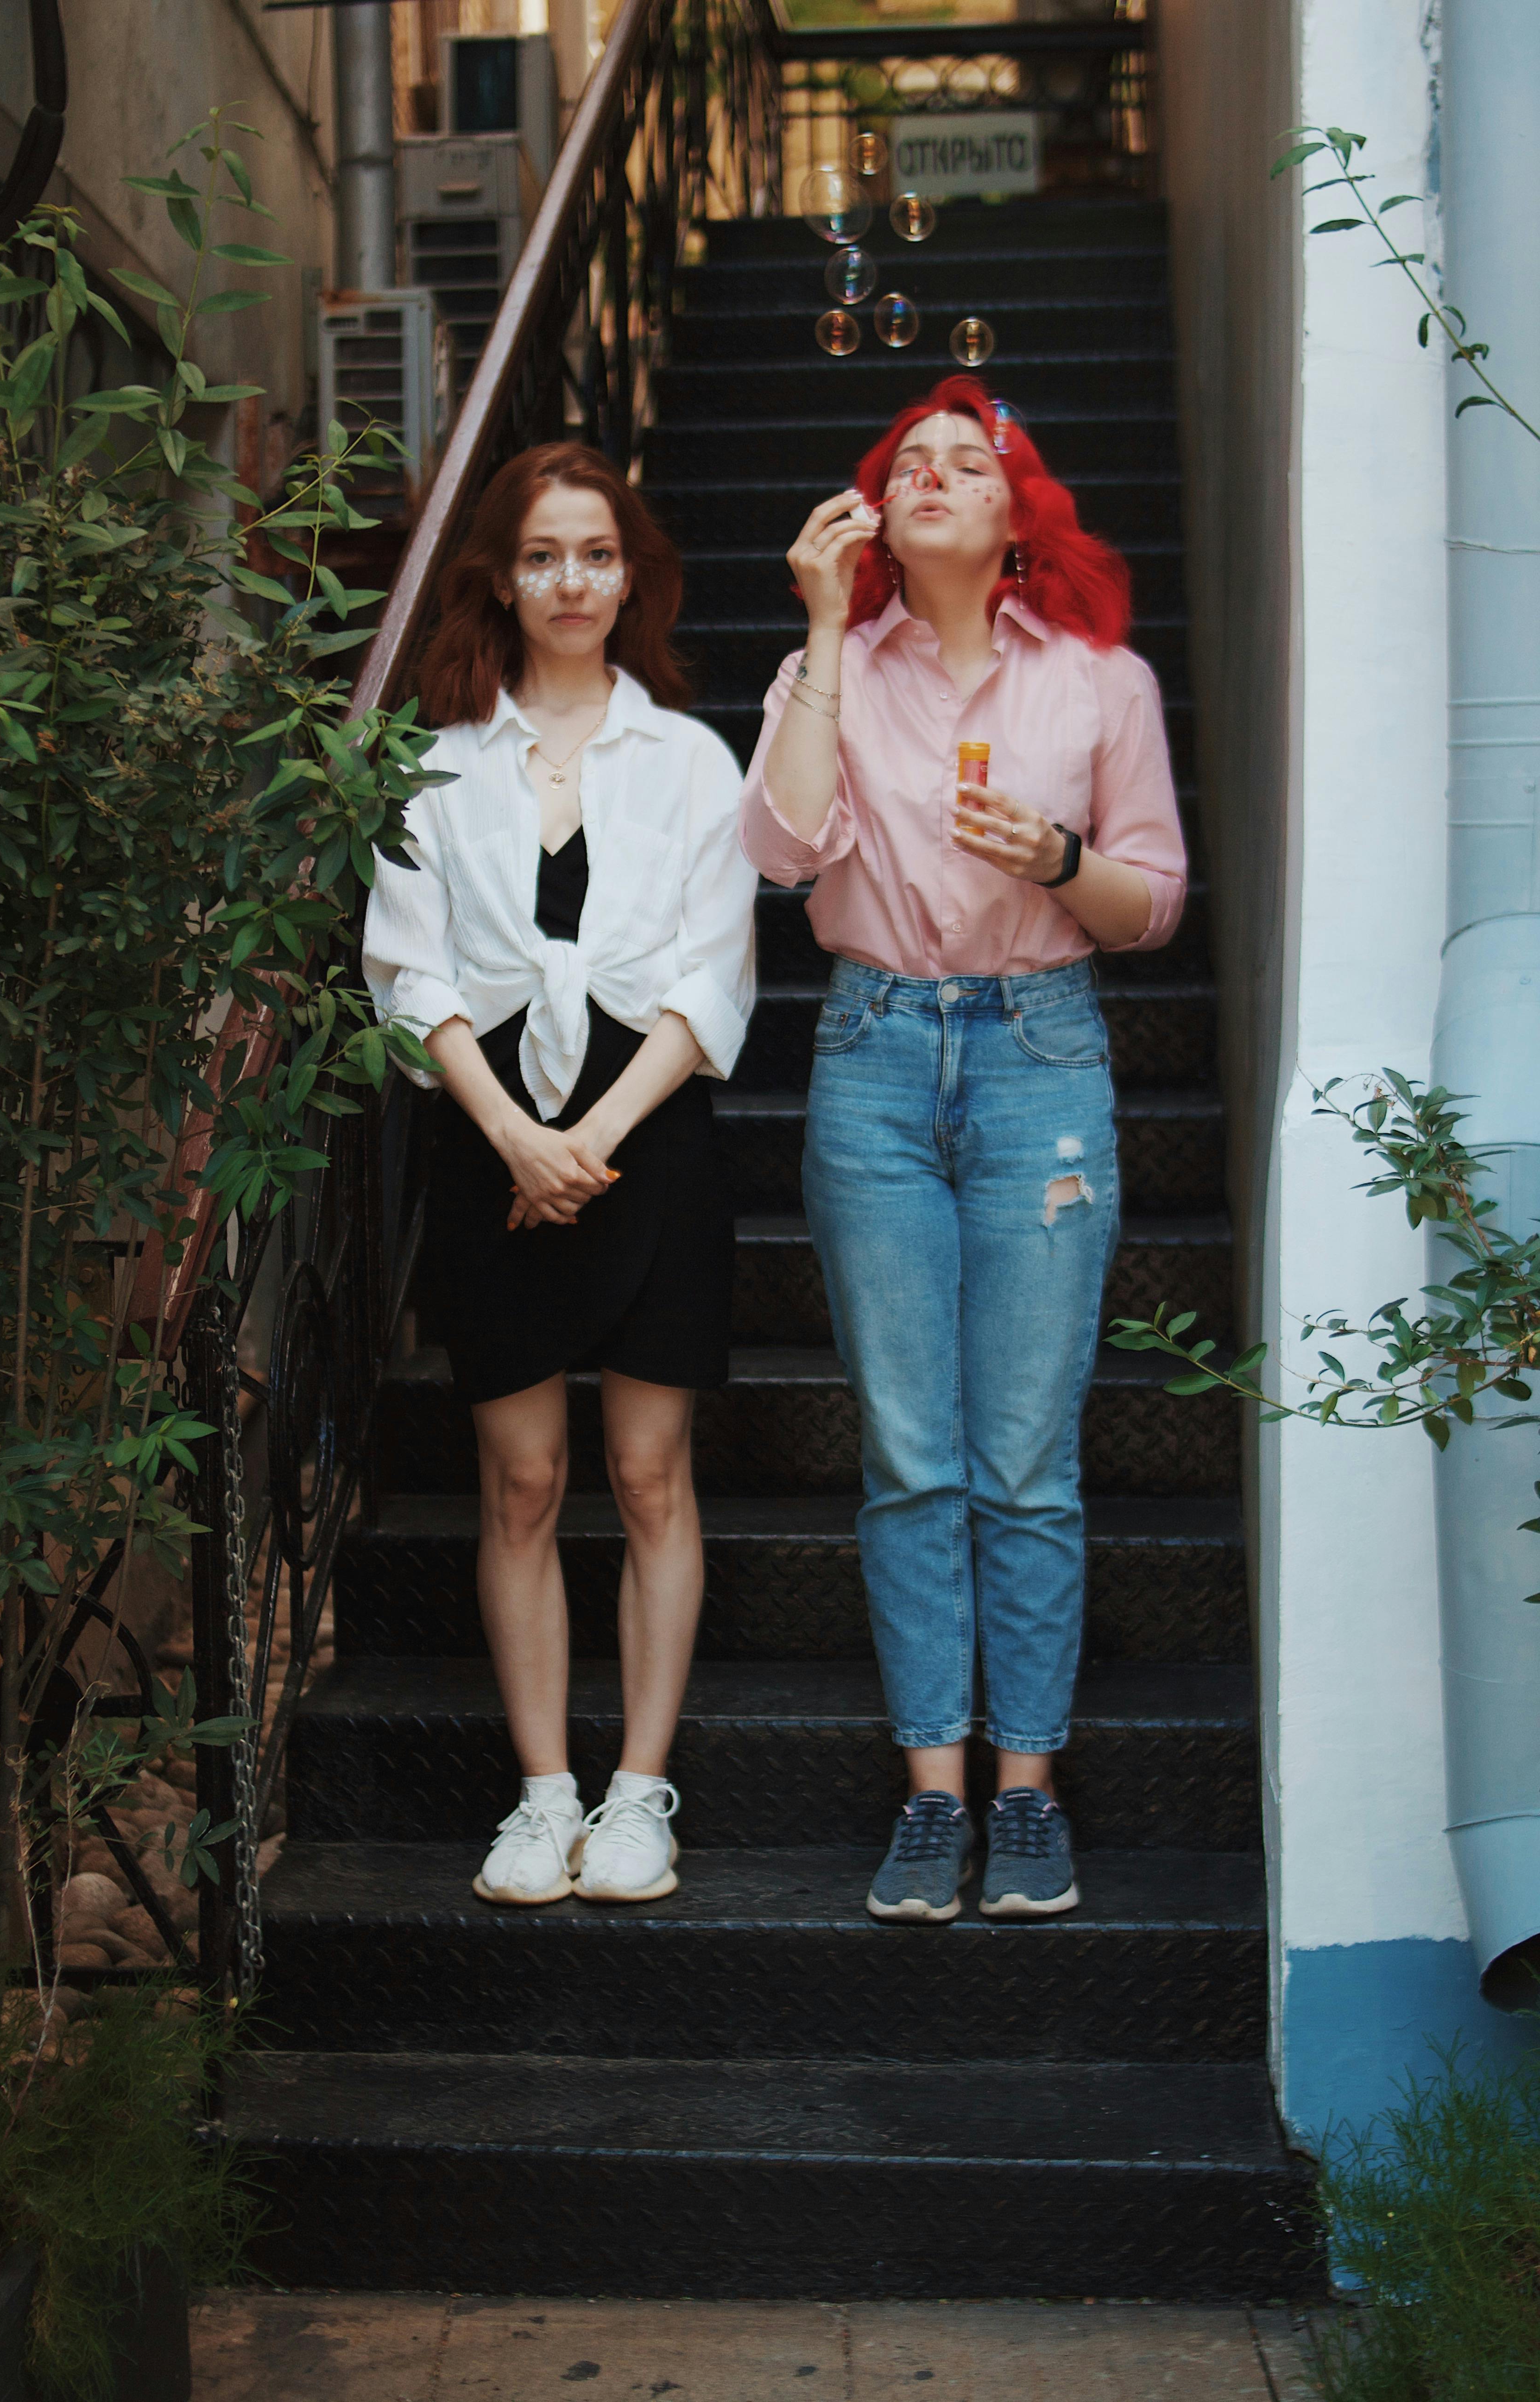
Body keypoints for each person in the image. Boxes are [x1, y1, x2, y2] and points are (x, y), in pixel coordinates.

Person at [738, 374, 1186, 1925]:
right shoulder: (842, 671)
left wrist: (1061, 862)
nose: (929, 474)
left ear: (1014, 514)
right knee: (911, 1458)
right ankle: (935, 1804)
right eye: (903, 463)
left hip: (1038, 1056)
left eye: (961, 462)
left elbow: (1155, 906)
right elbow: (789, 857)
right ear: (877, 516)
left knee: (1025, 1464)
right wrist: (813, 626)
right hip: (871, 1054)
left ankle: (1029, 1795)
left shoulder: (1101, 684)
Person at [364, 442, 757, 1909]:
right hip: (489, 1146)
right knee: (521, 1481)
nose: (571, 581)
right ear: (502, 577)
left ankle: (640, 1794)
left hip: (648, 1137)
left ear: (631, 575)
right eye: (543, 556)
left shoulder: (691, 761)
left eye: (596, 554)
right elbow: (408, 971)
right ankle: (543, 1797)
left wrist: (590, 1139)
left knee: (651, 1475)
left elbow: (717, 983)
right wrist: (515, 1139)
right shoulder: (440, 758)